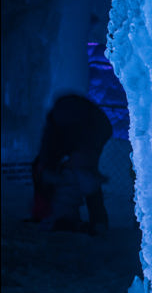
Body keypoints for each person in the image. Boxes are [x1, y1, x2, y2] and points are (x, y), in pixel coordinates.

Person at [30, 93, 113, 235]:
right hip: (89, 127)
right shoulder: (59, 126)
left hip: (91, 129)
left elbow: (51, 151)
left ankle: (94, 220)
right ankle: (91, 220)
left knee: (84, 173)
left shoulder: (69, 126)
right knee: (82, 173)